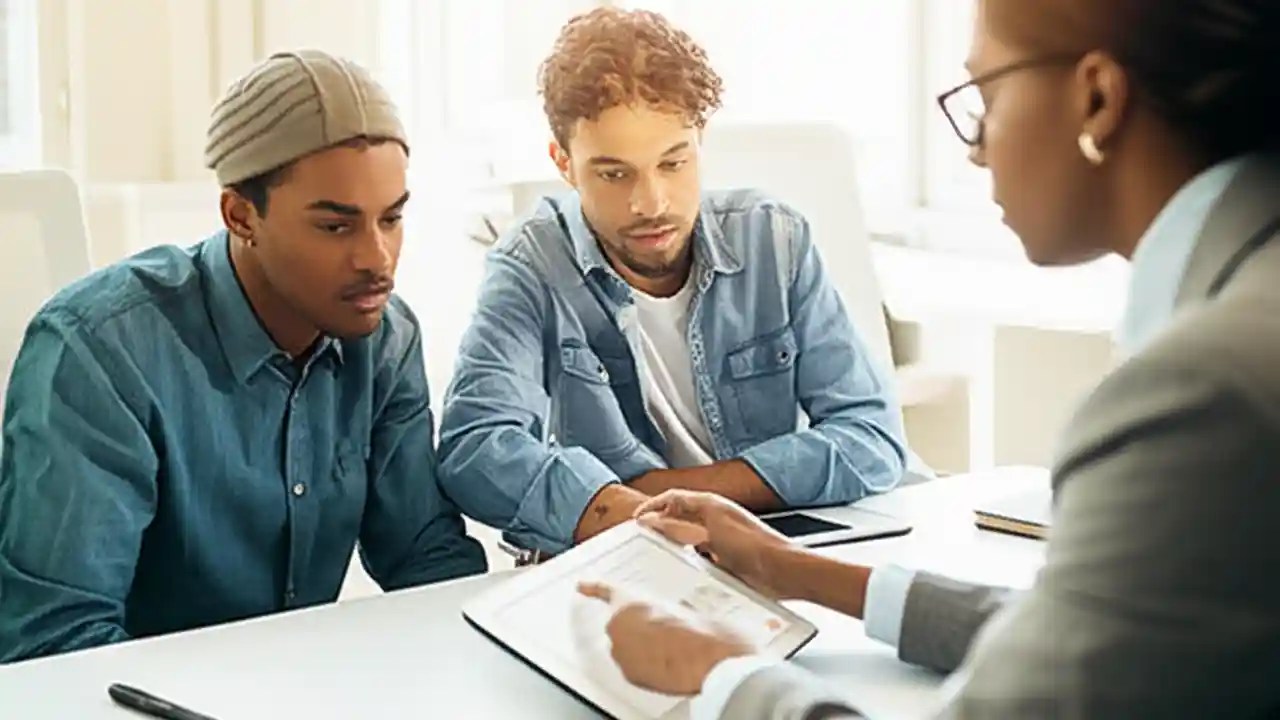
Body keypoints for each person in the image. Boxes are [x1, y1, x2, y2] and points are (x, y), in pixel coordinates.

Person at [579, 0, 1280, 716]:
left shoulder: (1203, 393)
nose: (975, 148)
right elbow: (1104, 637)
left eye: (987, 94)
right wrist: (794, 568)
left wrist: (721, 678)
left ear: (1097, 99)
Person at [0, 50, 487, 663]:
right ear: (240, 215)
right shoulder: (99, 353)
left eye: (391, 219)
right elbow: (57, 647)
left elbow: (423, 556)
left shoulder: (387, 339)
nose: (377, 259)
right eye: (336, 227)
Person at [437, 7, 907, 558]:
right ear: (563, 162)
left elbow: (872, 438)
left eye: (673, 163)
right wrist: (628, 512)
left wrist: (670, 496)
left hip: (765, 547)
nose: (651, 204)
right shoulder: (530, 266)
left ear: (699, 142)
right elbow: (476, 449)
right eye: (614, 174)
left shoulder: (773, 239)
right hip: (622, 554)